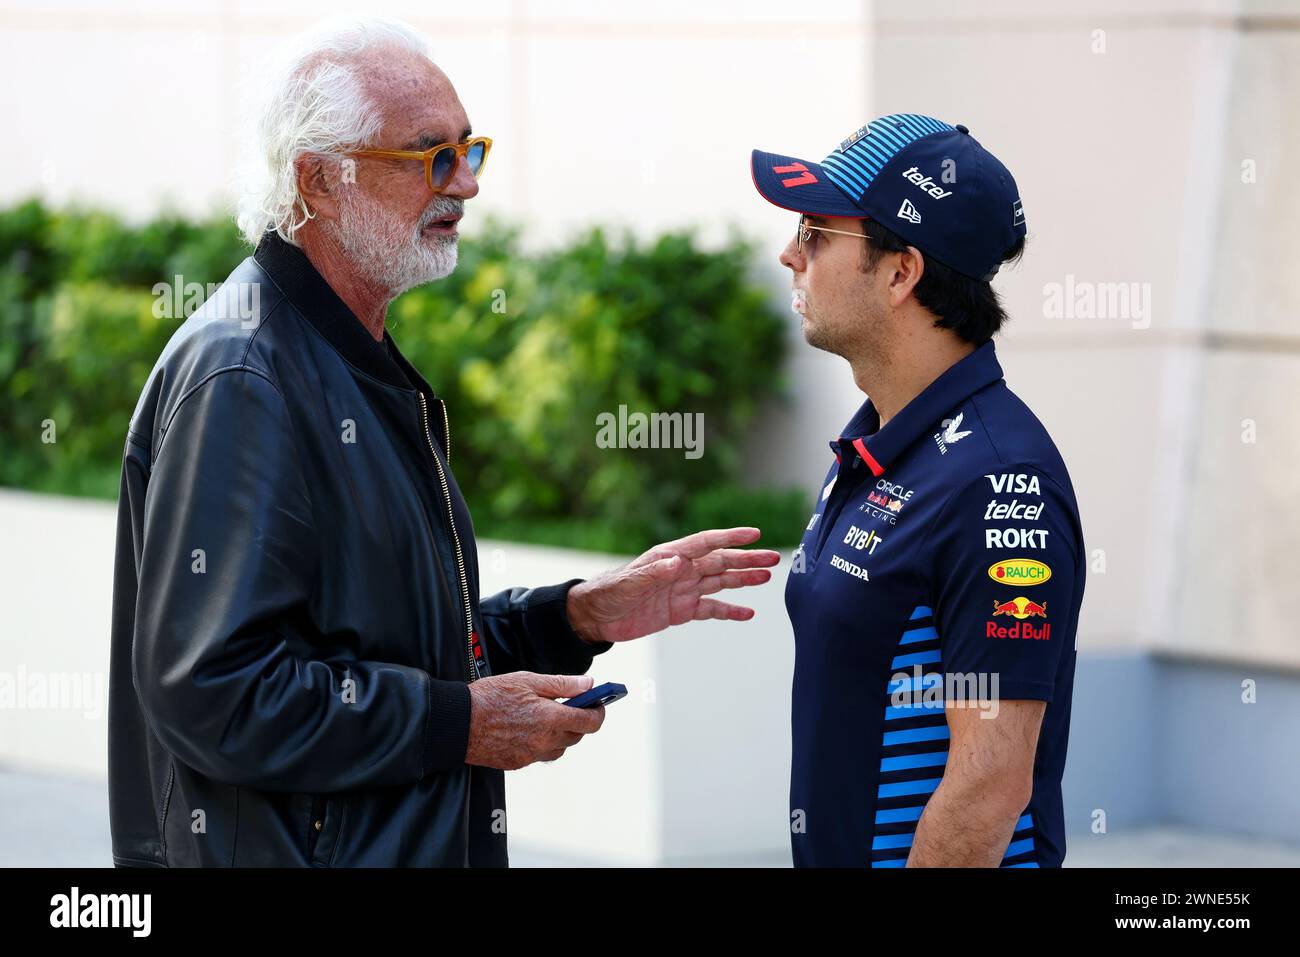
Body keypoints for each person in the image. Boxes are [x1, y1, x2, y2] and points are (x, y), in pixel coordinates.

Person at [107, 16, 778, 867]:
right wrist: (463, 725)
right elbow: (214, 693)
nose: (465, 183)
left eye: (471, 149)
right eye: (431, 156)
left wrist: (576, 615)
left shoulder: (347, 357)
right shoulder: (248, 377)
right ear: (319, 179)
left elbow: (394, 650)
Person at [750, 113, 1084, 867]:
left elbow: (990, 788)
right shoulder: (883, 442)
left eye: (814, 232)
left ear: (901, 272)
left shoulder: (1000, 479)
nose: (788, 254)